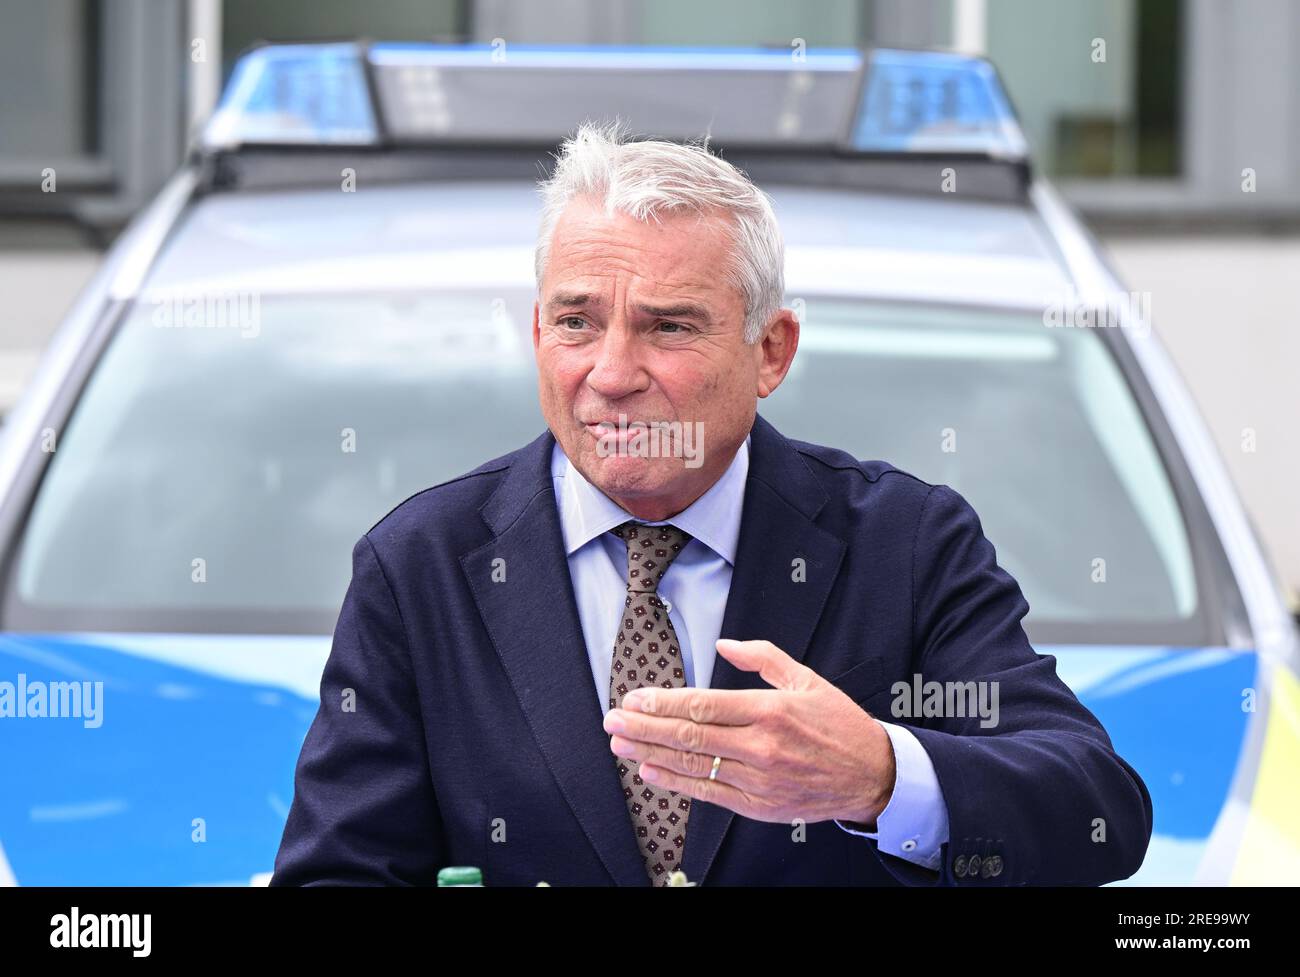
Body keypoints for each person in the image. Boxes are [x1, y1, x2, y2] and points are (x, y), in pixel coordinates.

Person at [271, 121, 1152, 887]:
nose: (611, 374)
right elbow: (338, 872)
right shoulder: (419, 565)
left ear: (772, 350)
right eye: (576, 321)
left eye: (669, 326)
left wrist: (880, 775)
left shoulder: (906, 544)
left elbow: (1097, 810)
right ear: (537, 332)